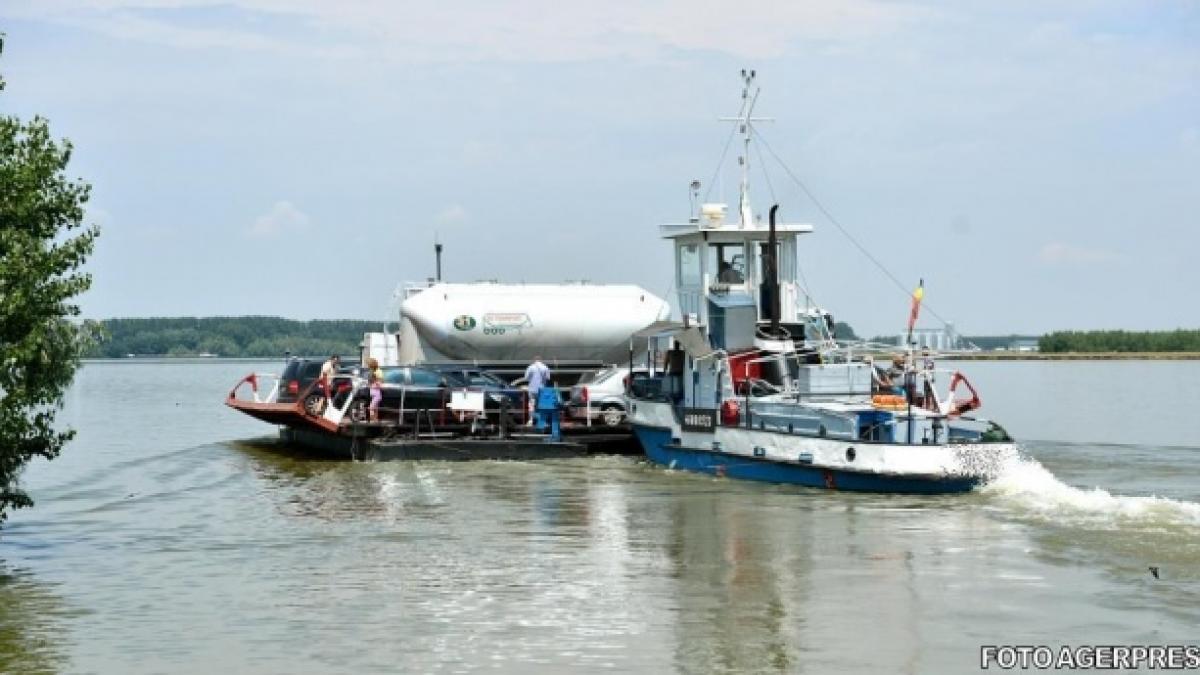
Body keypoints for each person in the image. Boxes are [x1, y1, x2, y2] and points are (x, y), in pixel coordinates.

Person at [524, 355, 551, 425]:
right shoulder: (545, 367)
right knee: (541, 405)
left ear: (534, 360)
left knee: (531, 405)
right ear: (541, 360)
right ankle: (542, 421)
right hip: (542, 390)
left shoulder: (530, 367)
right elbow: (548, 378)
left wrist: (532, 379)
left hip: (532, 390)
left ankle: (531, 420)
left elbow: (526, 378)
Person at [366, 357, 383, 423]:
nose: (368, 366)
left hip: (377, 395)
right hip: (375, 394)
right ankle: (375, 420)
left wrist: (377, 383)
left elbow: (380, 383)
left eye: (368, 365)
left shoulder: (377, 372)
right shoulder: (372, 372)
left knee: (371, 407)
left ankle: (373, 419)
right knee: (375, 408)